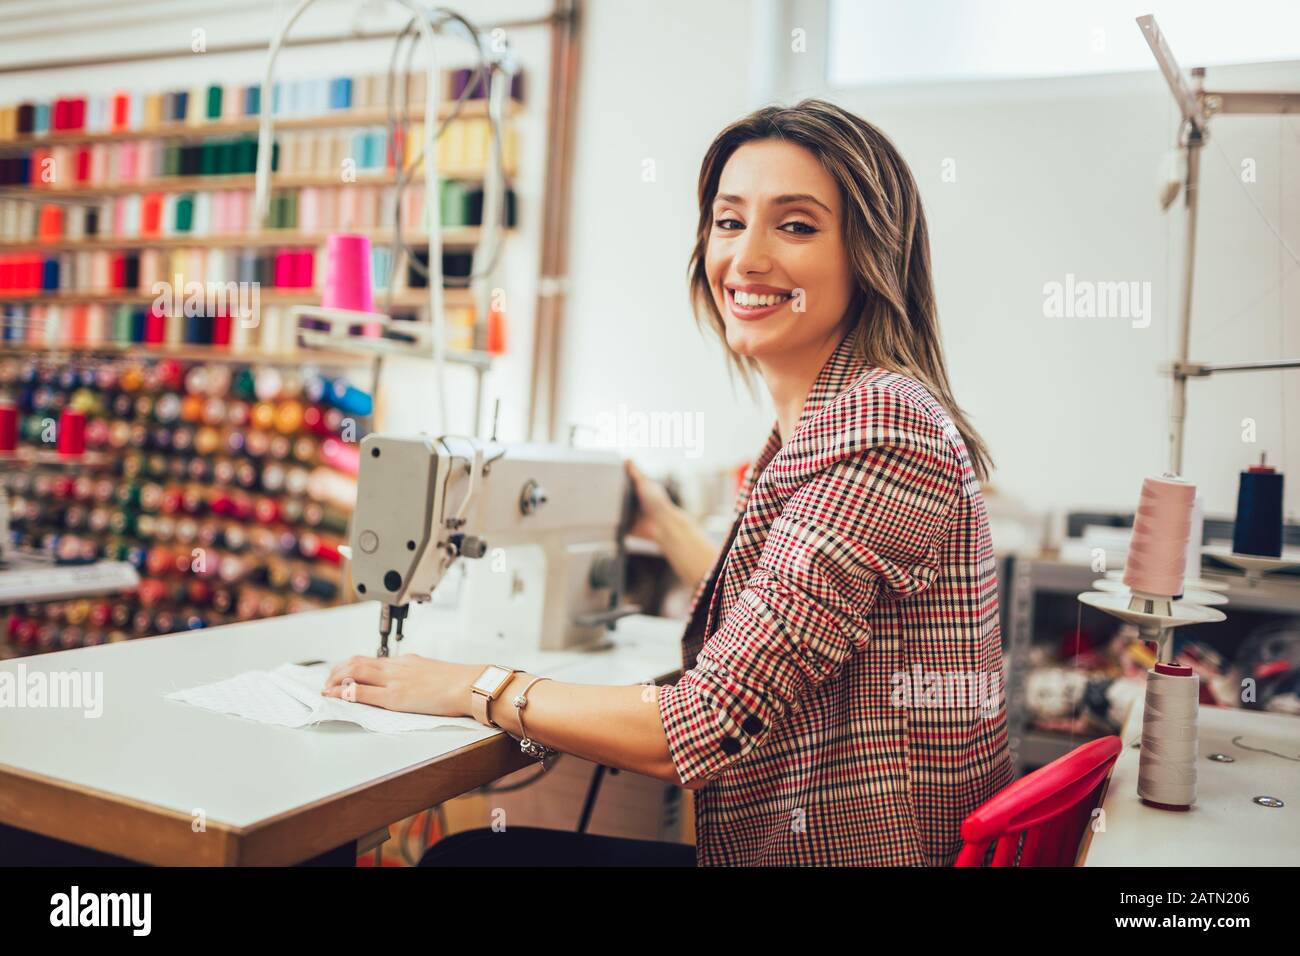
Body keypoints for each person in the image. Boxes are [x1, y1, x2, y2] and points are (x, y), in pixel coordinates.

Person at [323, 98, 1014, 867]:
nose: (745, 259)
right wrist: (659, 519)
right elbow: (785, 599)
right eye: (728, 221)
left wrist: (467, 686)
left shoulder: (880, 424)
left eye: (795, 225)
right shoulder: (833, 417)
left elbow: (703, 724)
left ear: (870, 255)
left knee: (468, 860)